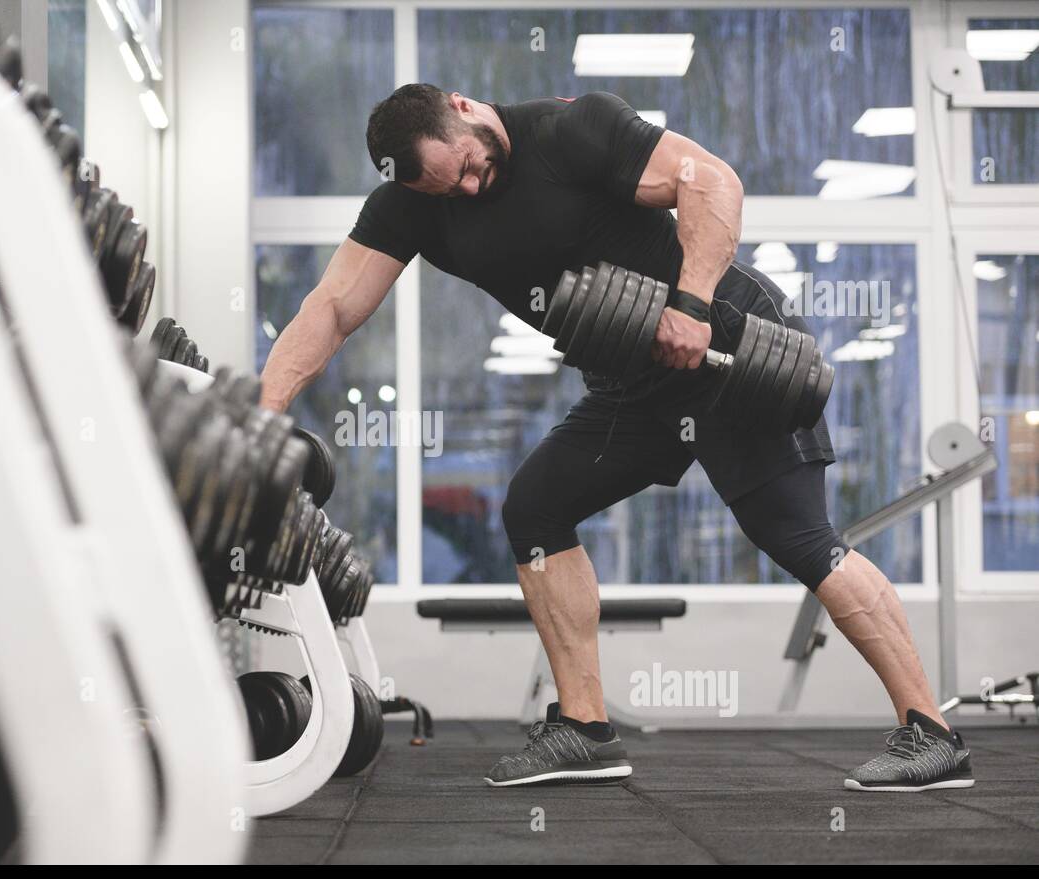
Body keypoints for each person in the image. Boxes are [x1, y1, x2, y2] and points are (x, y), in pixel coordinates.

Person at [258, 83, 973, 792]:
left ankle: (932, 733)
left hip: (726, 345)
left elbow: (711, 181)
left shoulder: (572, 132)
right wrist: (264, 411)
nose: (471, 189)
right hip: (632, 380)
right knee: (535, 508)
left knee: (798, 538)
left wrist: (690, 306)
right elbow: (333, 307)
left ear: (466, 107)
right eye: (451, 190)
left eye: (471, 167)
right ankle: (585, 728)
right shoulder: (411, 205)